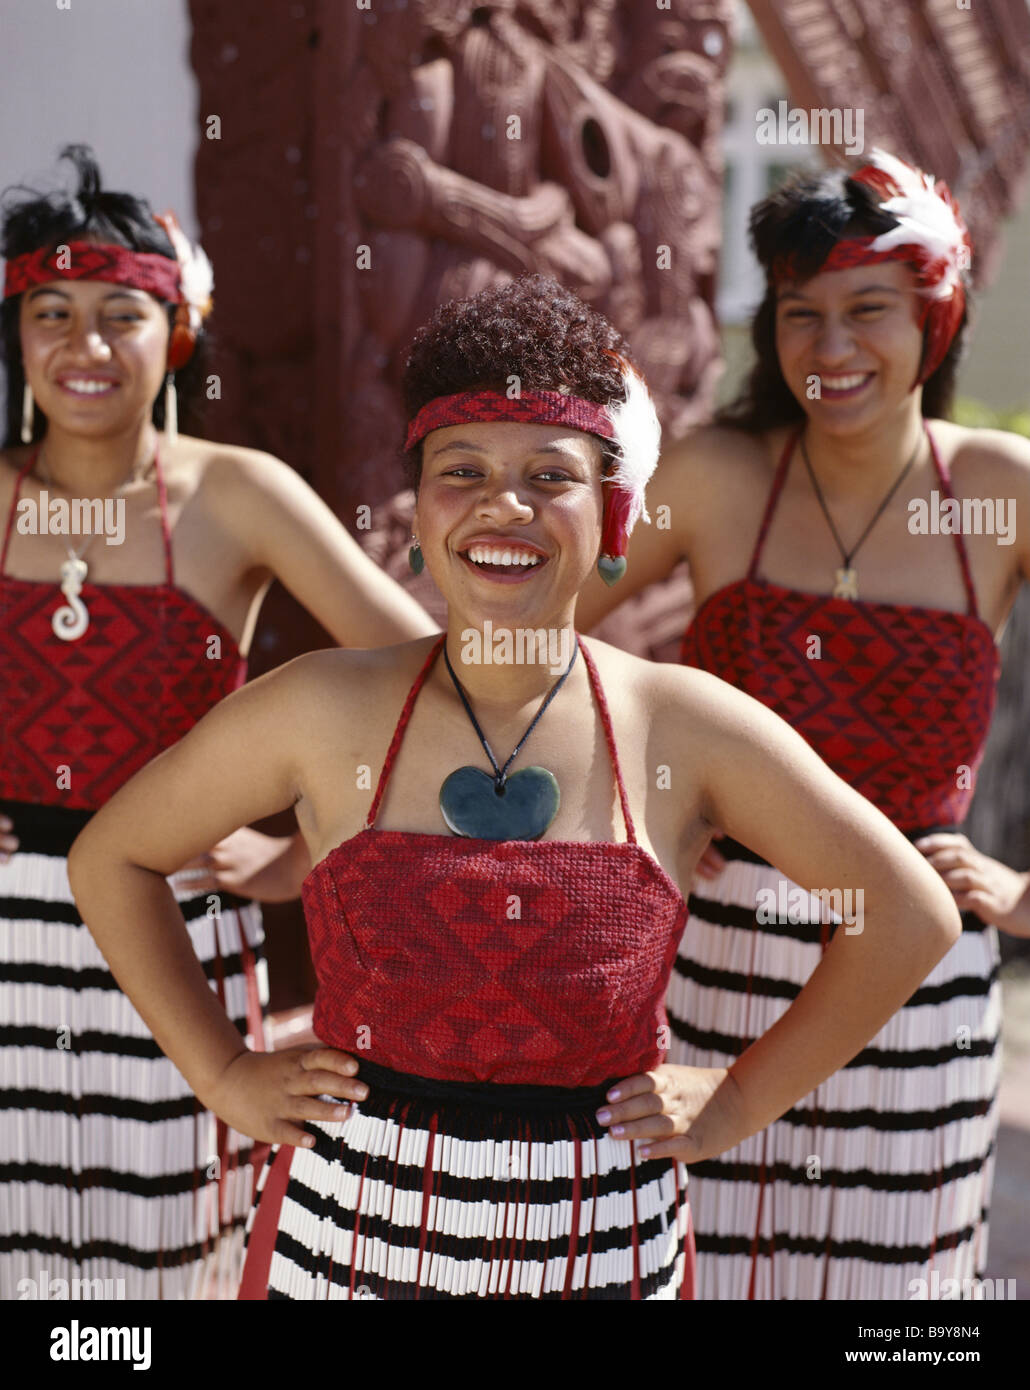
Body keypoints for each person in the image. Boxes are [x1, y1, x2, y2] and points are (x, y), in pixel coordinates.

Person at [67, 273, 961, 1300]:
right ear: (416, 510)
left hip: (599, 1245)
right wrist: (223, 1072)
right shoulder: (317, 706)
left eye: (551, 474)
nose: (505, 505)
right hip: (353, 1239)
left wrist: (735, 1099)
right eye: (463, 470)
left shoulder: (682, 722)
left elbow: (903, 911)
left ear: (614, 515)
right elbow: (112, 856)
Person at [577, 150, 1030, 1299]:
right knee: (700, 1268)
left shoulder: (1002, 489)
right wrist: (642, 806)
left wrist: (1026, 894)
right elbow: (516, 643)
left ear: (938, 313)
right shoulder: (722, 477)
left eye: (867, 310)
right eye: (798, 314)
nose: (830, 351)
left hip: (917, 982)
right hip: (717, 963)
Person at [0, 145, 437, 1301]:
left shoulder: (236, 493)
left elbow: (425, 675)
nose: (84, 347)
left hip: (179, 932)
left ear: (178, 329)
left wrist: (300, 854)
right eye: (51, 312)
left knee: (170, 1257)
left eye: (119, 314)